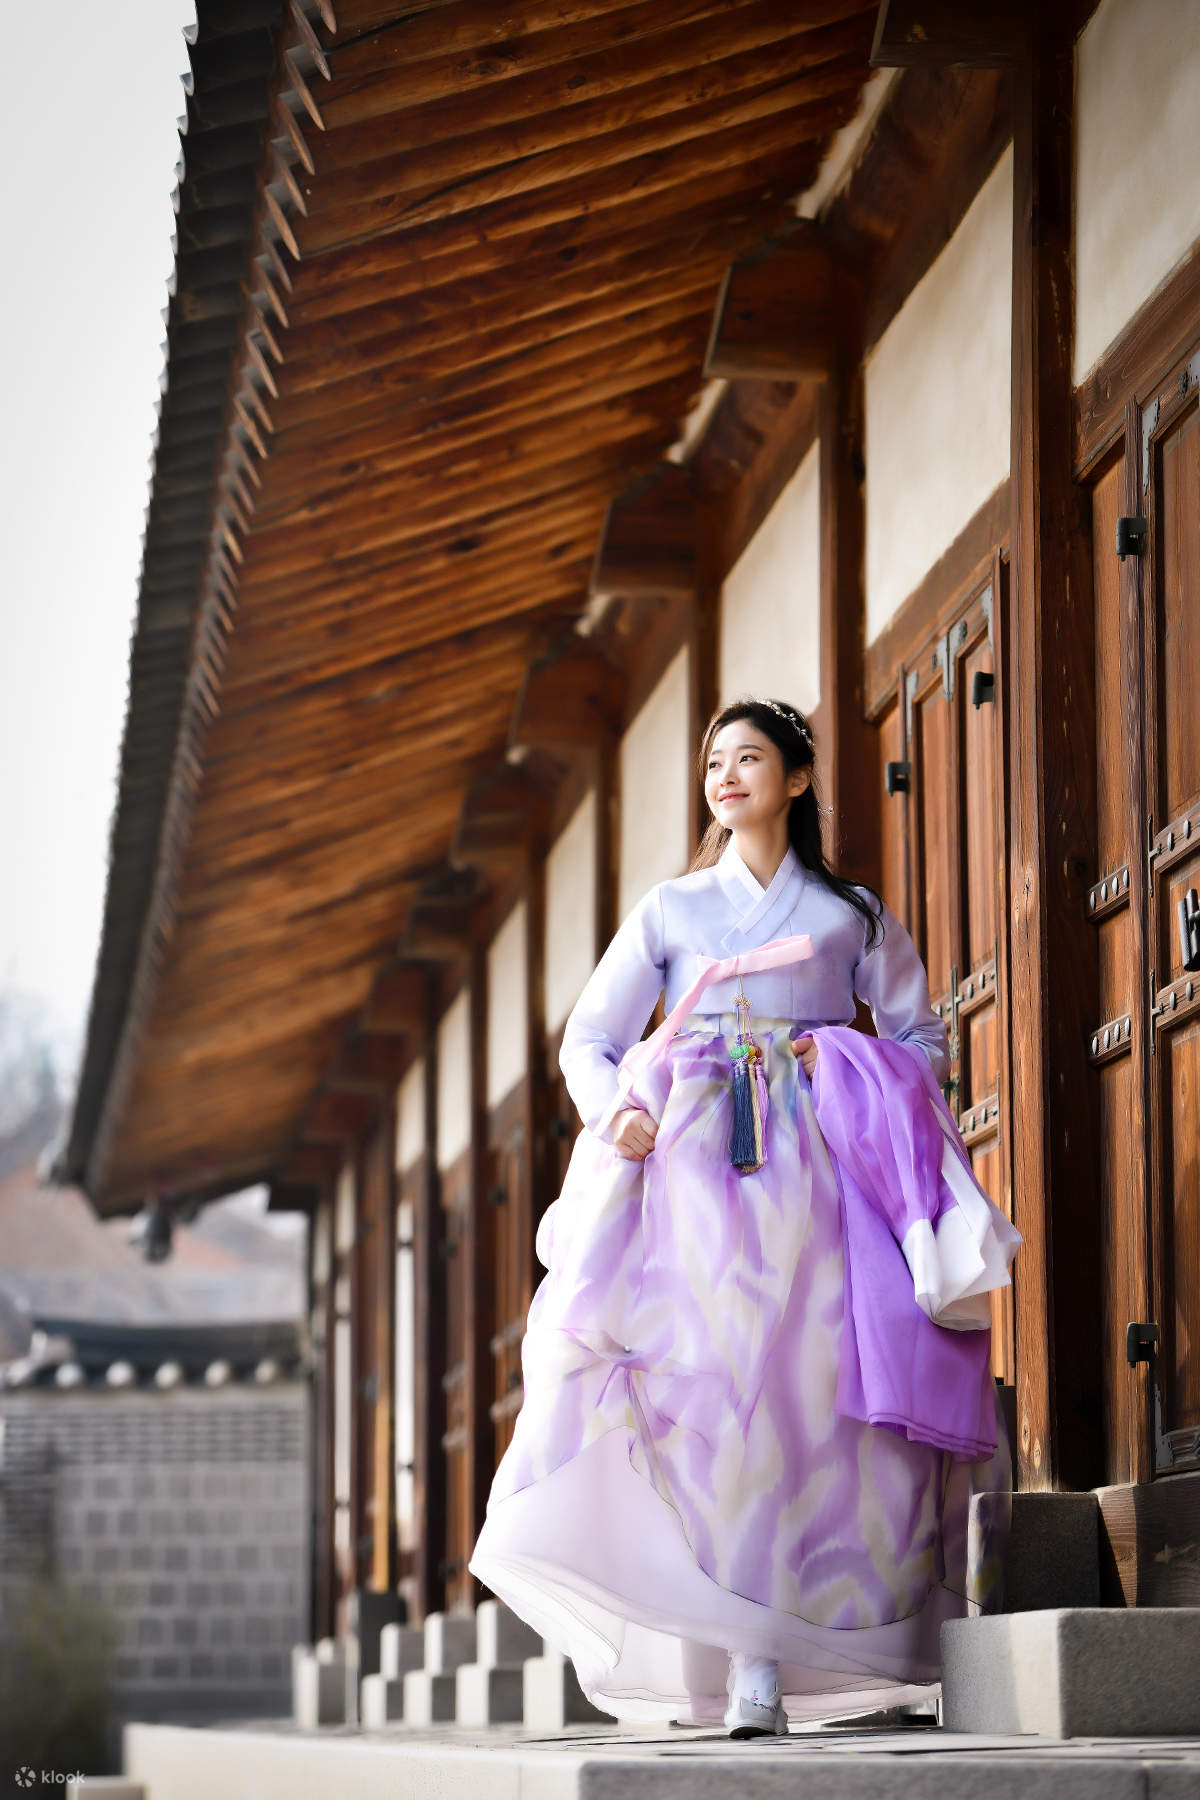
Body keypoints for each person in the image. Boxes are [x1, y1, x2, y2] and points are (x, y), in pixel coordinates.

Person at [468, 695, 1015, 1737]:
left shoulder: (846, 913)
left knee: (815, 1407)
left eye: (748, 758)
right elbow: (588, 1040)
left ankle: (823, 1654)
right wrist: (621, 1109)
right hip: (694, 1185)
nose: (724, 777)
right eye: (714, 761)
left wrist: (839, 1056)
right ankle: (736, 1661)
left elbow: (924, 1038)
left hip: (819, 1181)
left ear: (798, 778)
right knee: (714, 1402)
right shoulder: (673, 911)